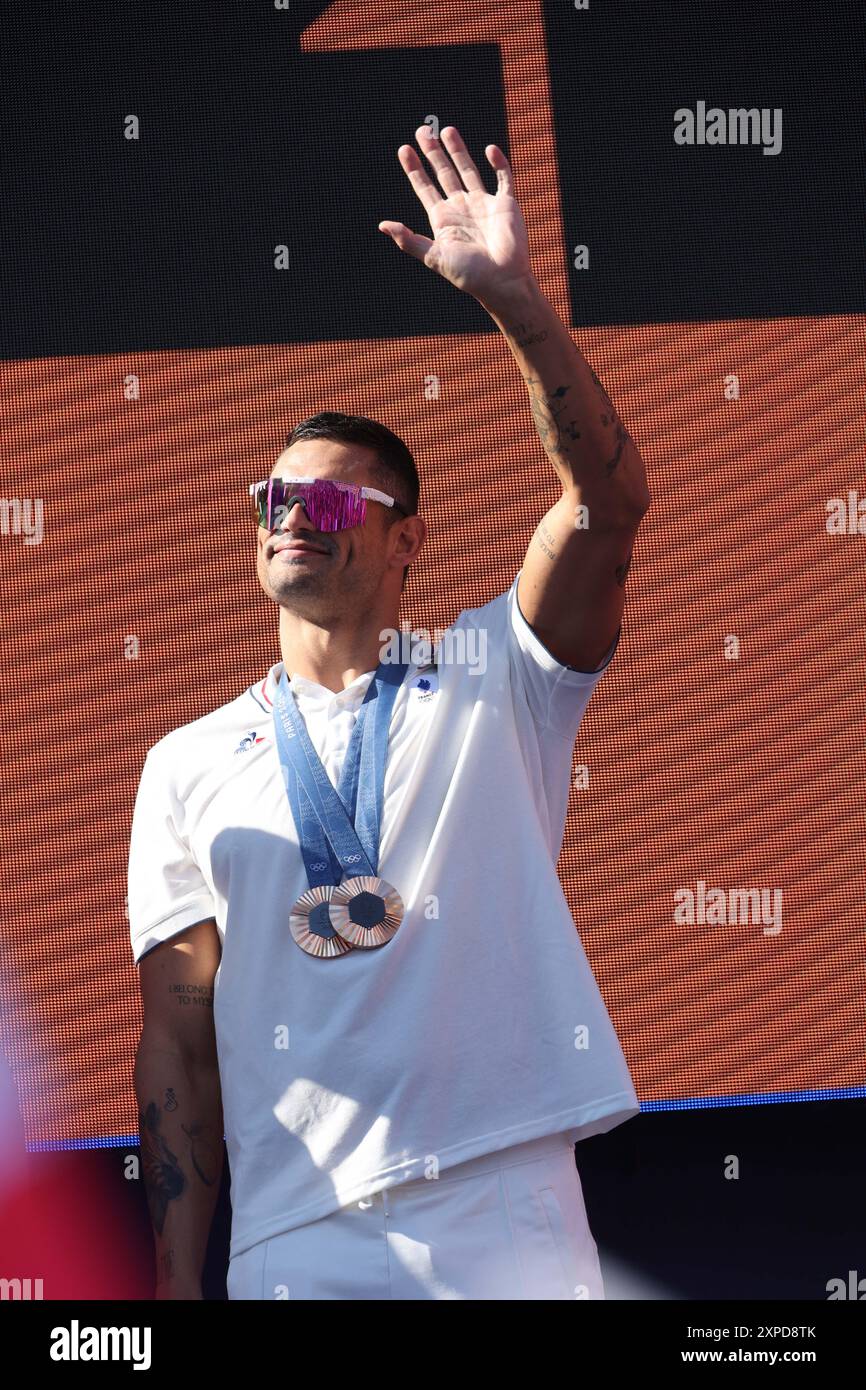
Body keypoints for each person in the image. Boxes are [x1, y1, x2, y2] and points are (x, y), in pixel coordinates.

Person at [128, 125, 651, 1301]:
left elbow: (607, 504)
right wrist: (174, 1286)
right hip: (291, 1229)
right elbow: (177, 1042)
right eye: (273, 493)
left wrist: (515, 302)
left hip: (497, 1202)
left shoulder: (491, 667)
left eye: (328, 494)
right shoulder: (185, 762)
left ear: (405, 538)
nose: (289, 511)